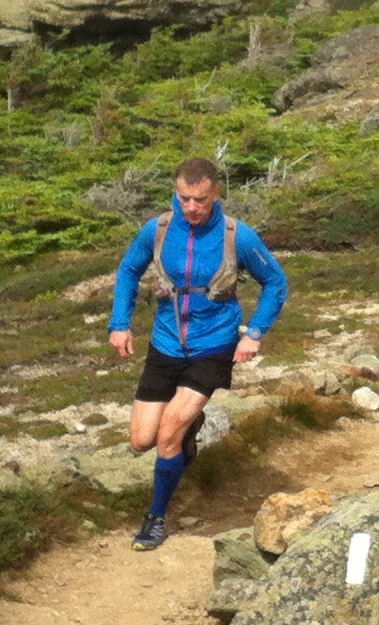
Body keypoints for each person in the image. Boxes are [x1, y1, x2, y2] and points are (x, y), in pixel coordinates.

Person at [106, 156, 288, 550]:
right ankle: (189, 434)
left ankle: (155, 518)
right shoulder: (158, 230)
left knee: (169, 431)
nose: (191, 207)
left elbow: (276, 282)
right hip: (166, 343)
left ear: (216, 194)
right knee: (142, 441)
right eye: (185, 198)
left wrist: (254, 333)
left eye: (200, 200)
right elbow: (128, 271)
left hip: (214, 345)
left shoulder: (237, 236)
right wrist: (120, 323)